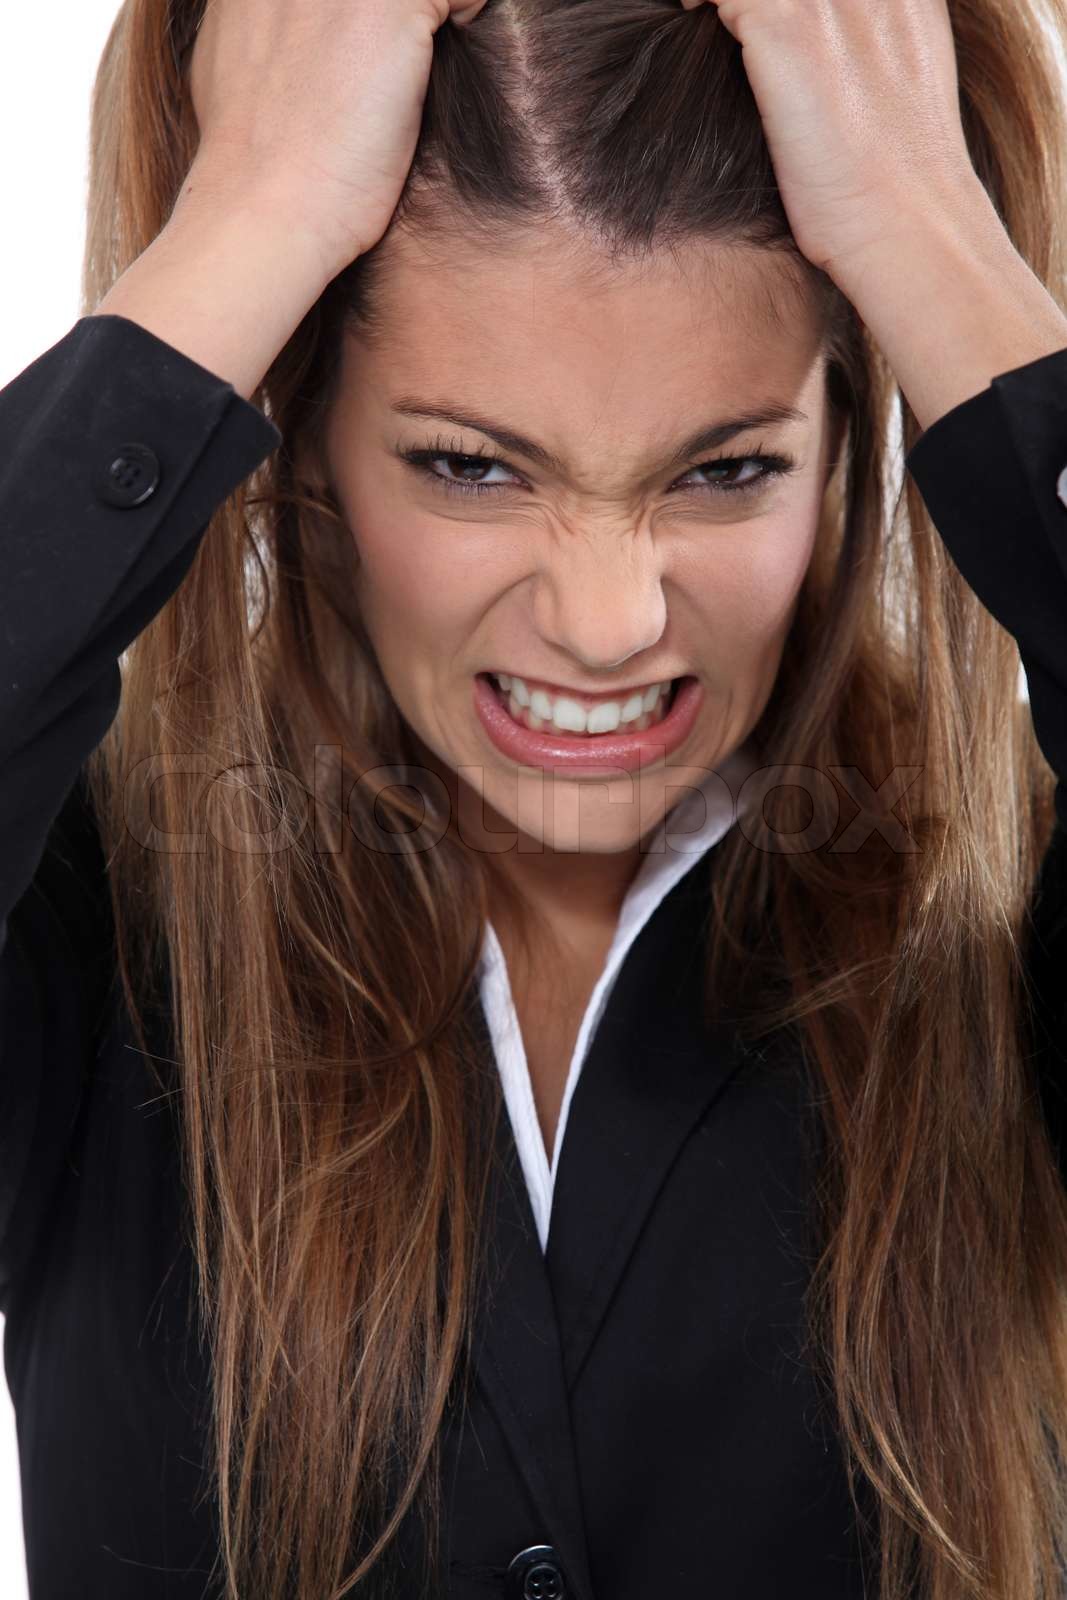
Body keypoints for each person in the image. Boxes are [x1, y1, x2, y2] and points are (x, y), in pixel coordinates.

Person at [3, 0, 1067, 1596]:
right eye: (470, 465)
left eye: (726, 470)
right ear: (297, 443)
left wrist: (936, 243)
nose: (606, 618)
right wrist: (250, 222)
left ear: (852, 447)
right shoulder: (87, 931)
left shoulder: (999, 935)